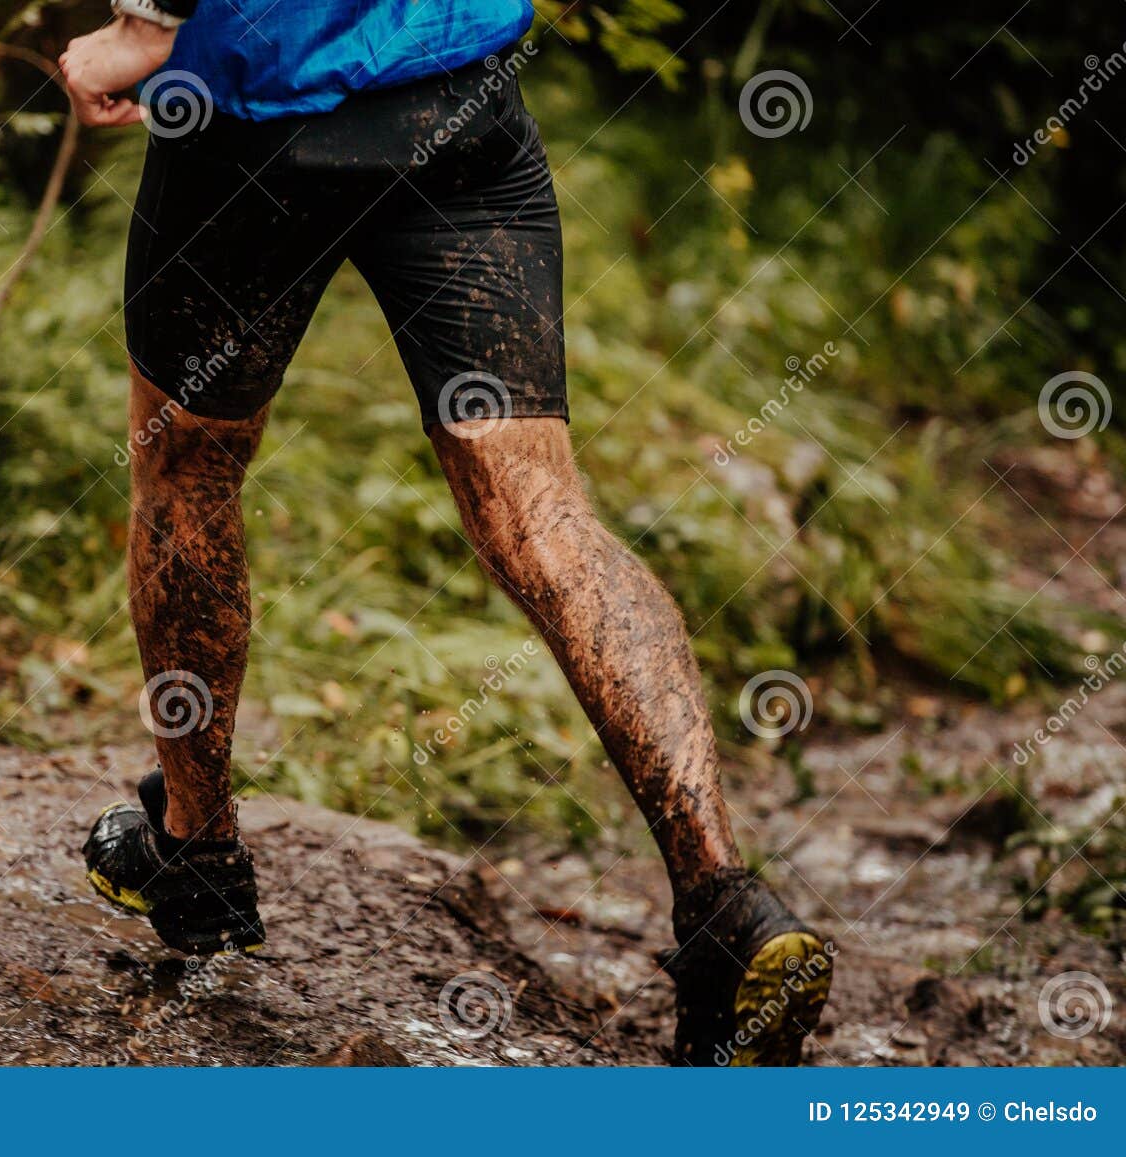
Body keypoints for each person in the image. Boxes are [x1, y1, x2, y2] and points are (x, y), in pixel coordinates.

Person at [60, 0, 834, 1065]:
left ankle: (193, 848)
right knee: (545, 517)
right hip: (457, 97)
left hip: (254, 107)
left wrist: (150, 25)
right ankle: (722, 905)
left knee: (187, 459)